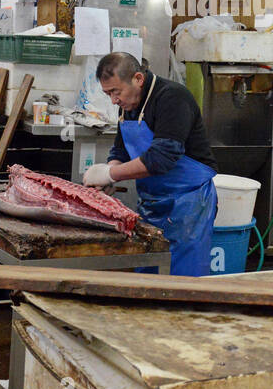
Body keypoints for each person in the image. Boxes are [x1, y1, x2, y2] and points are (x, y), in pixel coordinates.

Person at [82, 52, 218, 276]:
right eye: (108, 94)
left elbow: (161, 158)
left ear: (138, 78)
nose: (114, 100)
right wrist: (109, 173)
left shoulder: (173, 98)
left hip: (188, 205)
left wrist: (111, 174)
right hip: (152, 204)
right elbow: (121, 150)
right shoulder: (128, 105)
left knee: (182, 279)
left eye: (116, 92)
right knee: (148, 275)